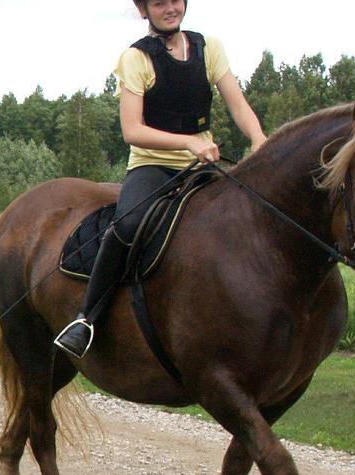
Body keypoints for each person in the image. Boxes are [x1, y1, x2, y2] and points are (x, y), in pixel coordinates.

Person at [52, 0, 265, 358]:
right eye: (159, 3)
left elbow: (238, 104)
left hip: (202, 166)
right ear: (144, 10)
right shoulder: (136, 59)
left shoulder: (209, 48)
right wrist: (188, 142)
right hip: (152, 167)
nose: (170, 8)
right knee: (128, 223)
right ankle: (86, 319)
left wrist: (259, 139)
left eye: (175, 0)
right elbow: (132, 130)